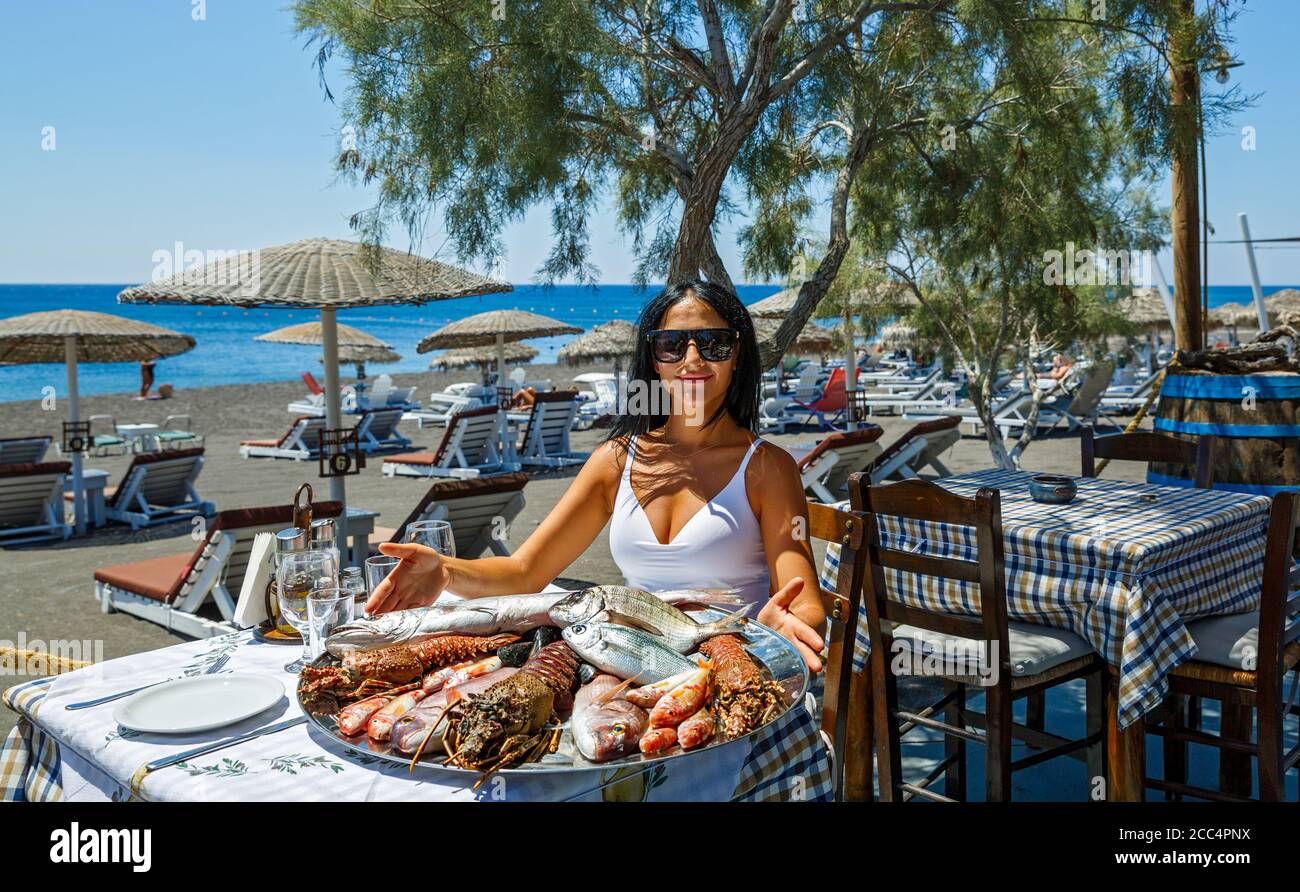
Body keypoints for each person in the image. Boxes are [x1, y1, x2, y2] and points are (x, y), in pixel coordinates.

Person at [369, 281, 828, 670]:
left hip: (734, 664)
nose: (692, 359)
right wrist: (445, 570)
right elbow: (524, 571)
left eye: (714, 343)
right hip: (634, 666)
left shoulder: (767, 467)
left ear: (737, 355)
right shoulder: (616, 460)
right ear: (653, 359)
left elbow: (804, 601)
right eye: (672, 344)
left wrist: (782, 626)